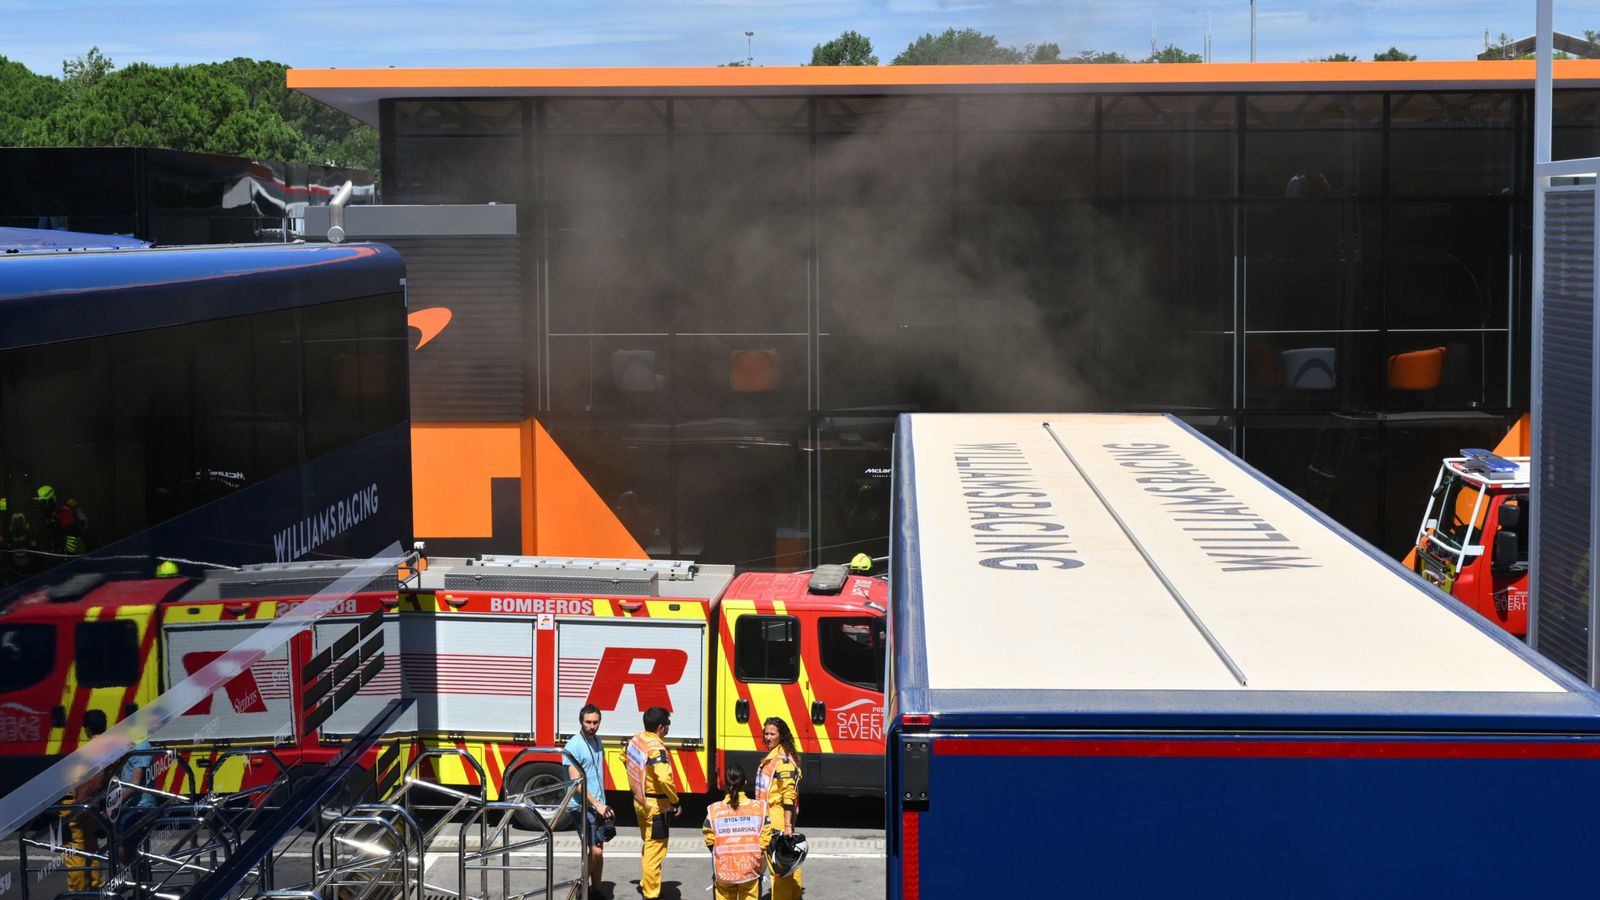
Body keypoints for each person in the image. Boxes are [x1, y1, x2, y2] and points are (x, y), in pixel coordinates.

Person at [625, 706, 679, 900]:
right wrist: (675, 800)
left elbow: (625, 758)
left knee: (649, 846)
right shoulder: (656, 748)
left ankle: (647, 884)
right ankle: (651, 894)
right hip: (656, 807)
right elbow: (664, 779)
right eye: (668, 725)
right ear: (661, 727)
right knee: (654, 852)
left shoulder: (637, 739)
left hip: (640, 801)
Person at [565, 704, 613, 900]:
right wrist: (598, 804)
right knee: (596, 850)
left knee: (599, 848)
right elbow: (577, 783)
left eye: (595, 722)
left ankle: (597, 890)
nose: (592, 726)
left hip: (598, 805)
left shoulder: (597, 740)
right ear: (581, 722)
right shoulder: (573, 746)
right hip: (582, 806)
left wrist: (602, 804)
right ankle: (581, 887)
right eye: (588, 722)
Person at [702, 764, 769, 900]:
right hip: (750, 869)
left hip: (724, 871)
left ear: (725, 784)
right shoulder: (759, 808)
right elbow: (766, 836)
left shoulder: (713, 810)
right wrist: (757, 852)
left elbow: (709, 839)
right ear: (745, 783)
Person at [757, 717, 803, 900]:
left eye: (772, 734)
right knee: (789, 862)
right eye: (766, 733)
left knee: (778, 869)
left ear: (781, 735)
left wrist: (787, 825)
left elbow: (788, 794)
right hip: (777, 817)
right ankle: (794, 895)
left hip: (776, 819)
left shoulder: (781, 759)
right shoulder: (780, 755)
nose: (768, 737)